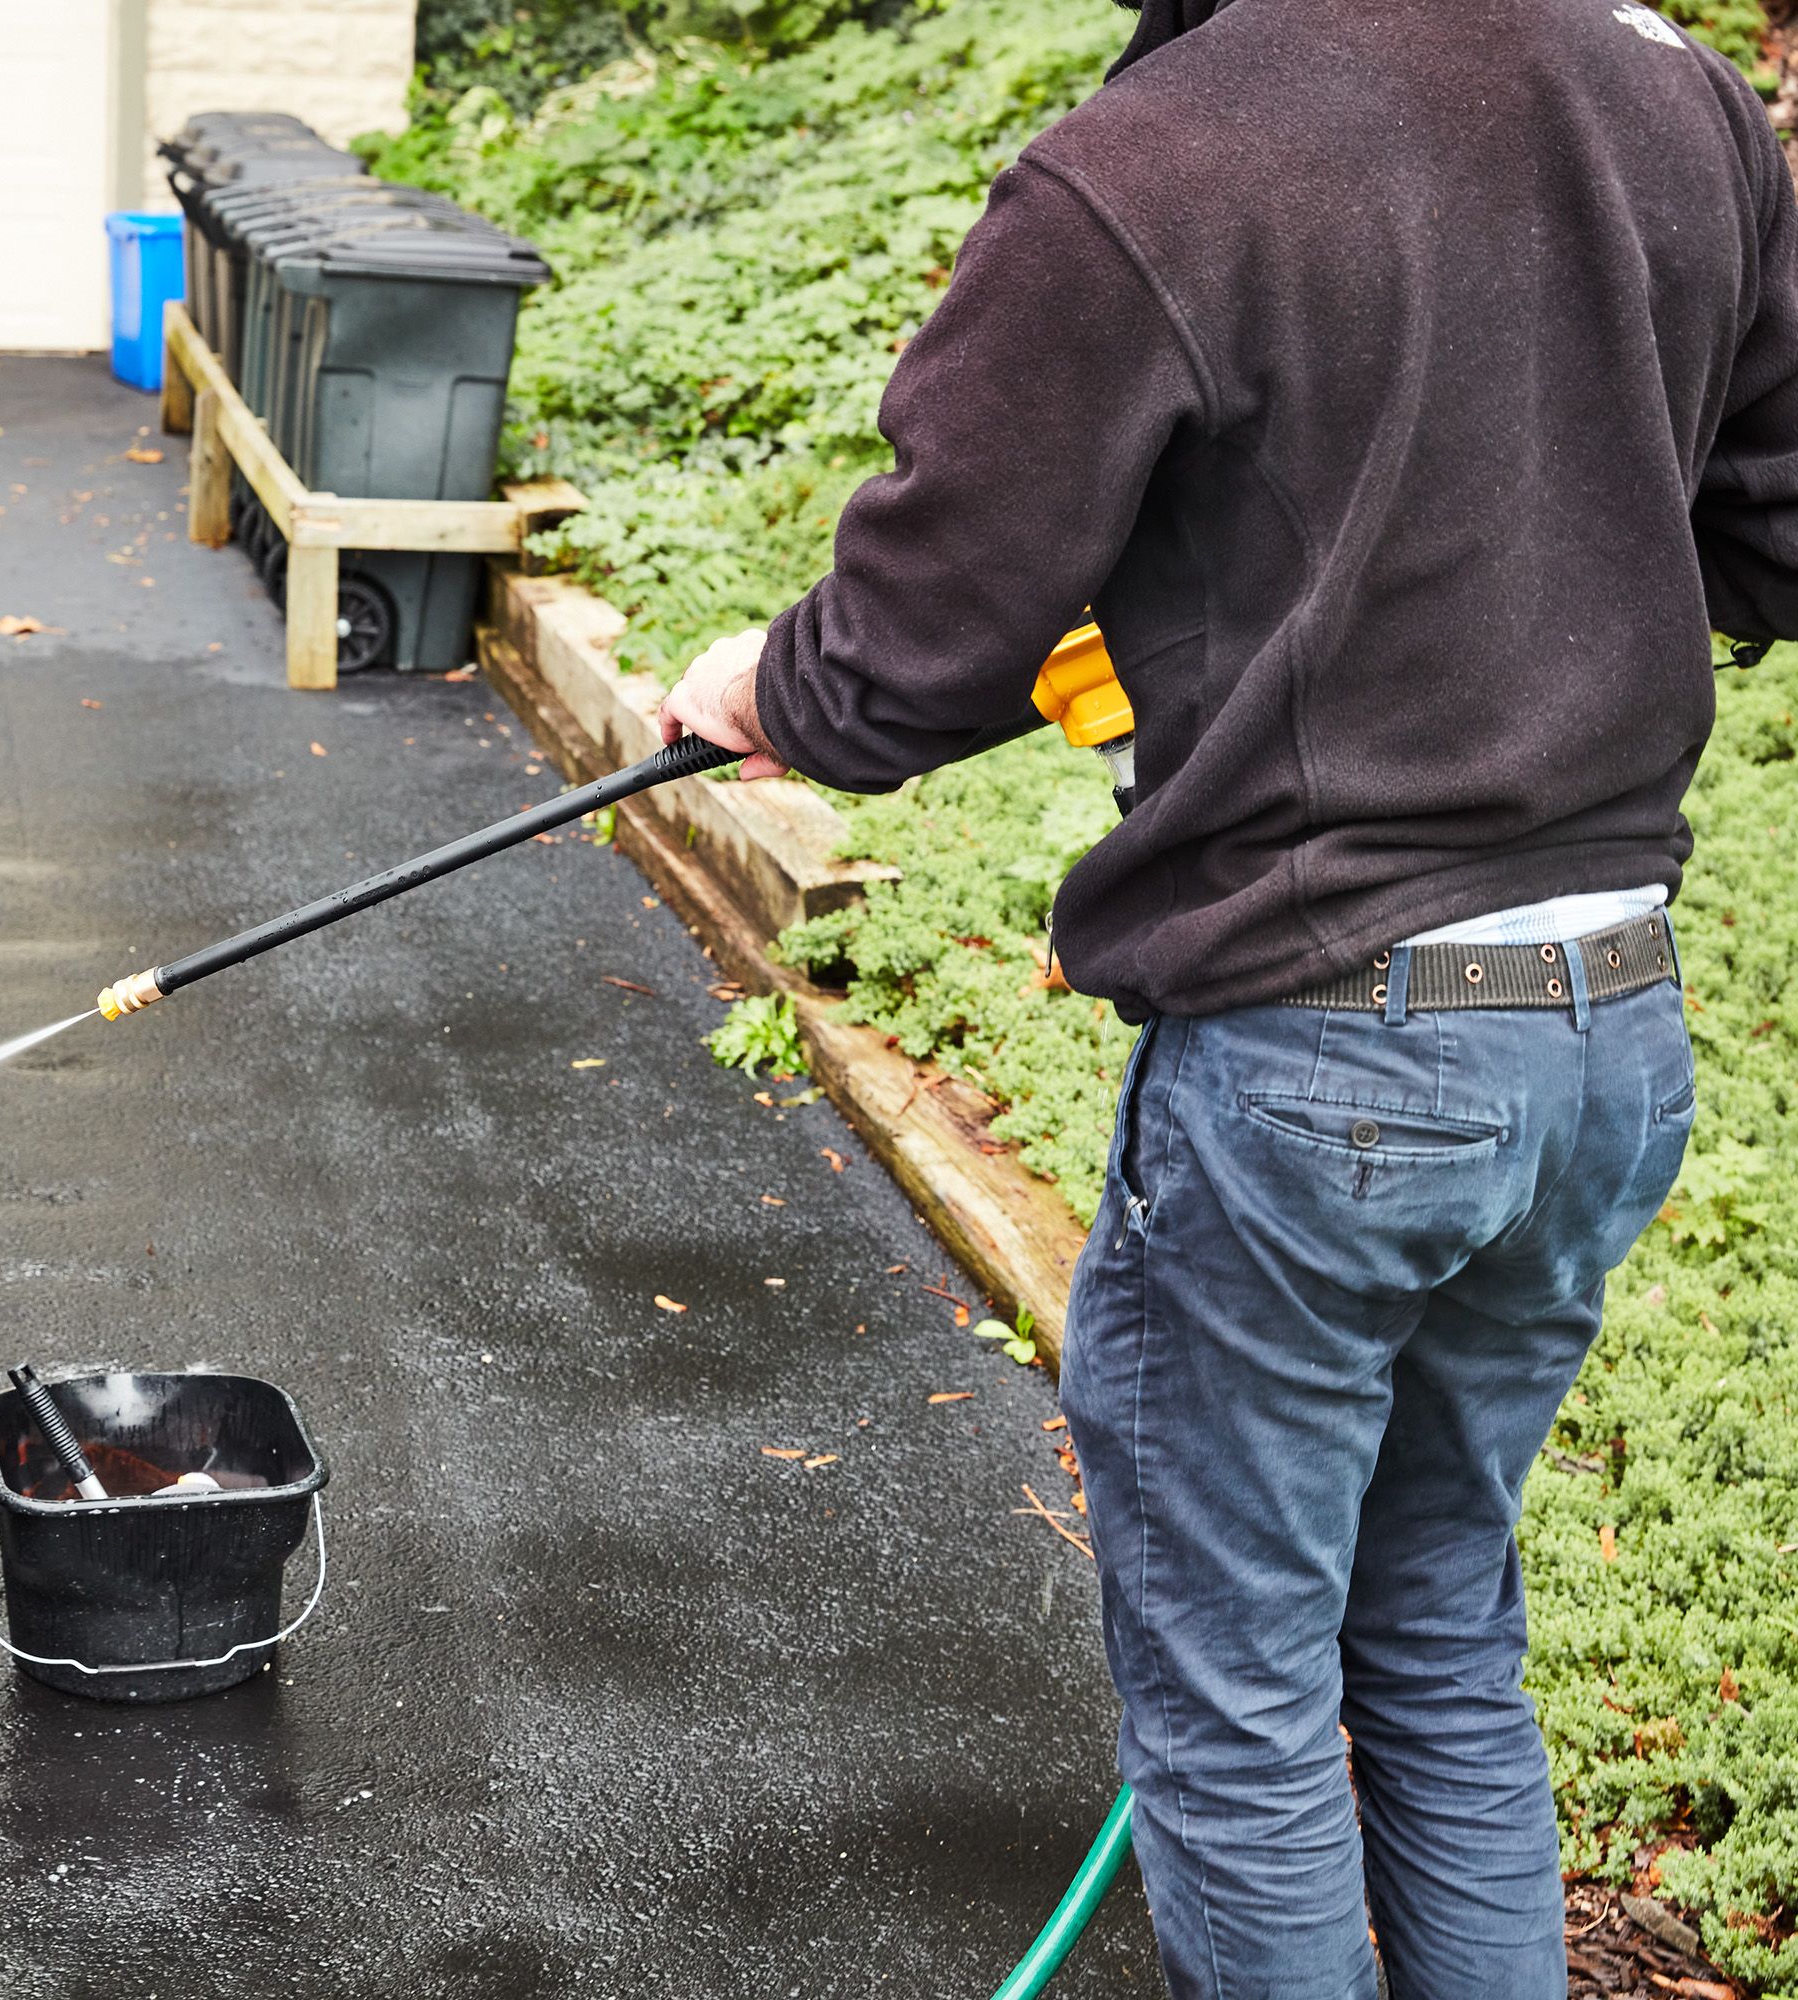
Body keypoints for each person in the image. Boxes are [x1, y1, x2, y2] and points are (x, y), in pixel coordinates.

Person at [657, 0, 1795, 1990]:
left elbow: (911, 653)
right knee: (1436, 1633)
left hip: (1333, 1061)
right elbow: (1769, 538)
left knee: (1242, 1701)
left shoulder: (1154, 164)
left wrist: (757, 687)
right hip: (1606, 1024)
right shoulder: (1675, 105)